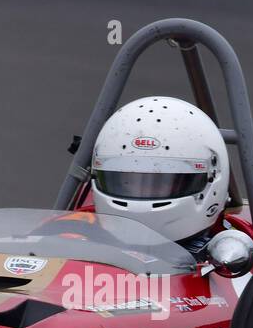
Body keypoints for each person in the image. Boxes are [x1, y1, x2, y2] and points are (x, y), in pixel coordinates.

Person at [89, 97, 235, 258]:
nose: (142, 193)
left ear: (212, 178)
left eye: (161, 184)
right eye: (127, 182)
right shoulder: (73, 238)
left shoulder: (235, 262)